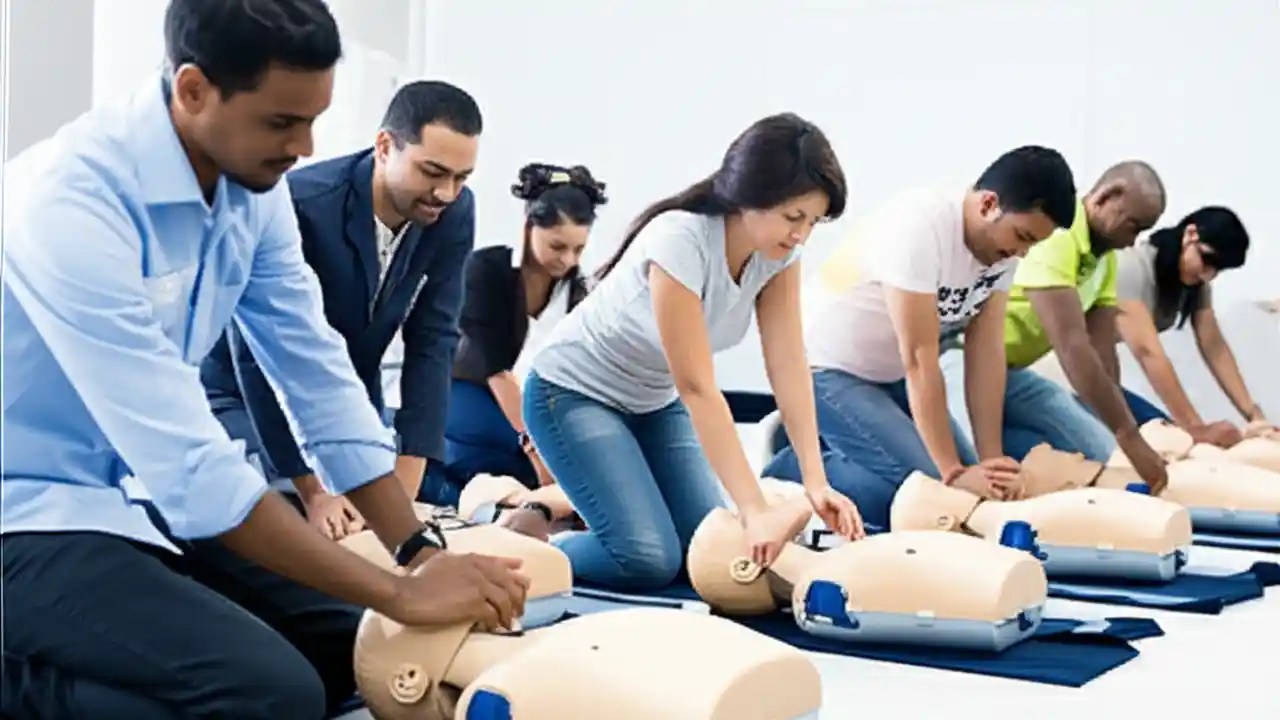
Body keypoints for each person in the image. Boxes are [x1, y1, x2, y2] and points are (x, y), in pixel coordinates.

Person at [0, 3, 526, 718]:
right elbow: (189, 465)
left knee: (352, 650)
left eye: (313, 119)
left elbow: (317, 374)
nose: (305, 148)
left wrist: (417, 552)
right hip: (29, 511)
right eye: (282, 123)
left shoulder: (252, 191)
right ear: (192, 90)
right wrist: (402, 592)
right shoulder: (67, 202)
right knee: (266, 693)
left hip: (139, 503)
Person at [522, 113, 864, 590]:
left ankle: (577, 512)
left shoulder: (779, 257)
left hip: (653, 402)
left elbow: (788, 365)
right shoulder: (681, 239)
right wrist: (754, 510)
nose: (801, 234)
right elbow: (698, 387)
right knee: (646, 558)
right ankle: (531, 542)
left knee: (702, 548)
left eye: (811, 222)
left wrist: (816, 481)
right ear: (752, 194)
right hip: (572, 393)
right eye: (794, 217)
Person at [201, 79, 481, 539]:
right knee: (287, 526)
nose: (446, 192)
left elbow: (434, 338)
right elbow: (256, 354)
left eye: (461, 177)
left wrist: (404, 485)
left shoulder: (453, 213)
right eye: (432, 172)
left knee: (381, 527)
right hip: (244, 396)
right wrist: (315, 490)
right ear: (385, 146)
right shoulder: (302, 204)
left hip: (345, 393)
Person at [762, 147, 1077, 528]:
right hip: (824, 368)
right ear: (989, 204)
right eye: (1022, 237)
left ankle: (836, 451)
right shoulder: (919, 227)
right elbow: (919, 359)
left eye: (1033, 245)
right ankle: (793, 468)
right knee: (931, 498)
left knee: (968, 491)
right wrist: (952, 474)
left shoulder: (1002, 251)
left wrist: (991, 463)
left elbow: (986, 351)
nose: (1022, 253)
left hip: (888, 375)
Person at [942, 161, 1172, 493]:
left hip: (1009, 372)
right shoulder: (1055, 236)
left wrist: (1119, 433)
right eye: (1132, 225)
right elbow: (1072, 345)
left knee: (1100, 450)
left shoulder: (1104, 260)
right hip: (961, 358)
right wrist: (1130, 435)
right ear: (1107, 196)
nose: (1131, 241)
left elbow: (1102, 353)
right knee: (975, 474)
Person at [442, 163, 607, 497]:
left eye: (579, 249)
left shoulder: (579, 296)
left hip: (543, 407)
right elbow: (495, 370)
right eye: (557, 246)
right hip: (476, 395)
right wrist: (538, 451)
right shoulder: (485, 272)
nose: (568, 260)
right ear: (529, 226)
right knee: (491, 448)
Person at [1115, 205, 1274, 441]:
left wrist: (1255, 416)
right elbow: (1148, 352)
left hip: (1101, 379)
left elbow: (1214, 347)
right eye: (1207, 259)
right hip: (1068, 370)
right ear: (1190, 234)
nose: (1207, 274)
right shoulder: (1131, 267)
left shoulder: (1194, 285)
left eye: (1218, 269)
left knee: (1170, 436)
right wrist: (1195, 429)